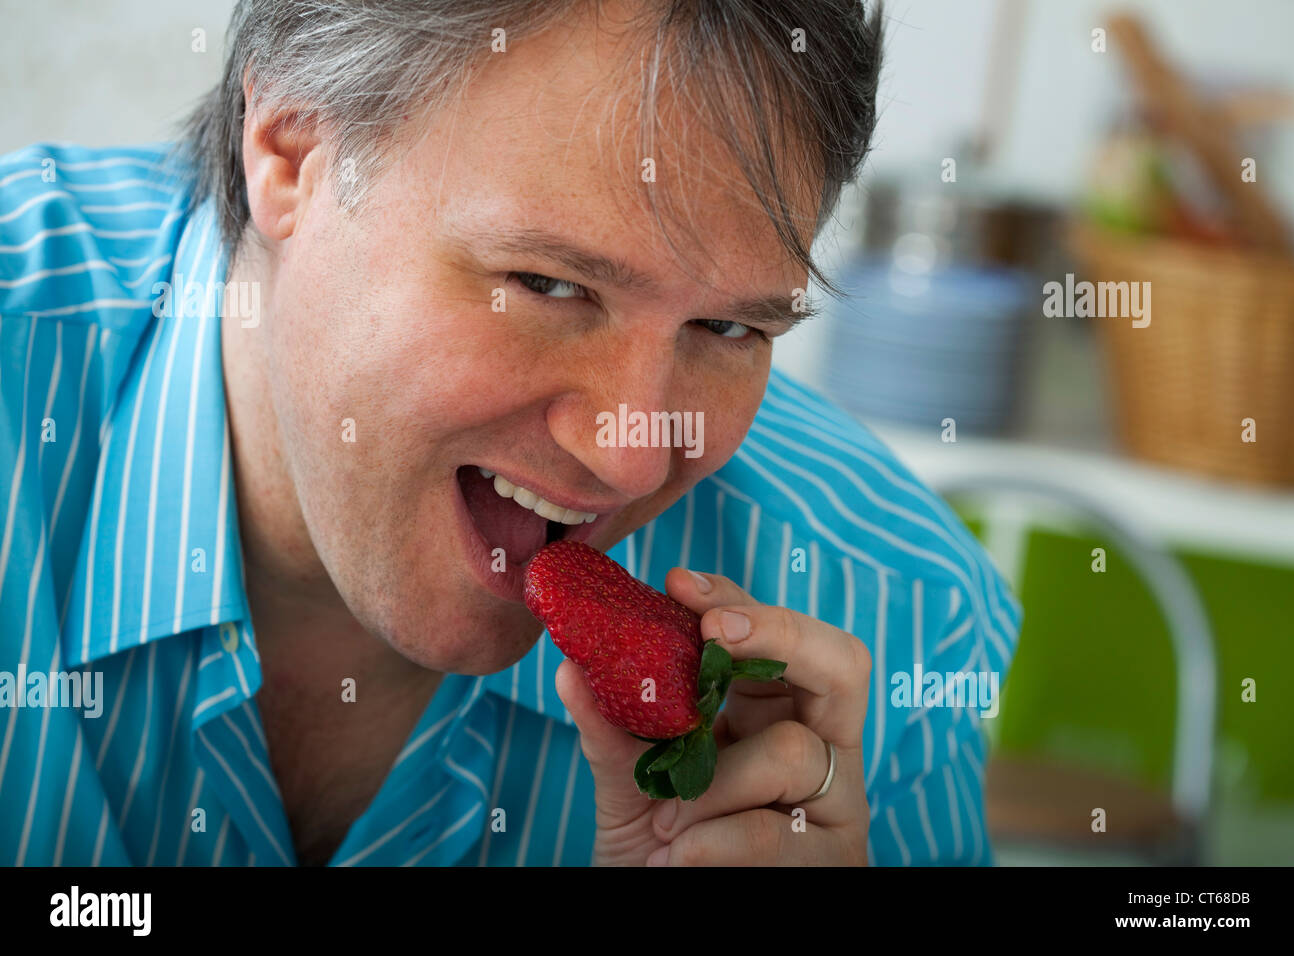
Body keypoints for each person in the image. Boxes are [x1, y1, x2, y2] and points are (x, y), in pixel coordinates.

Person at [0, 0, 1020, 866]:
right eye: (547, 285)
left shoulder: (891, 616)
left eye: (726, 328)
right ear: (293, 150)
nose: (629, 456)